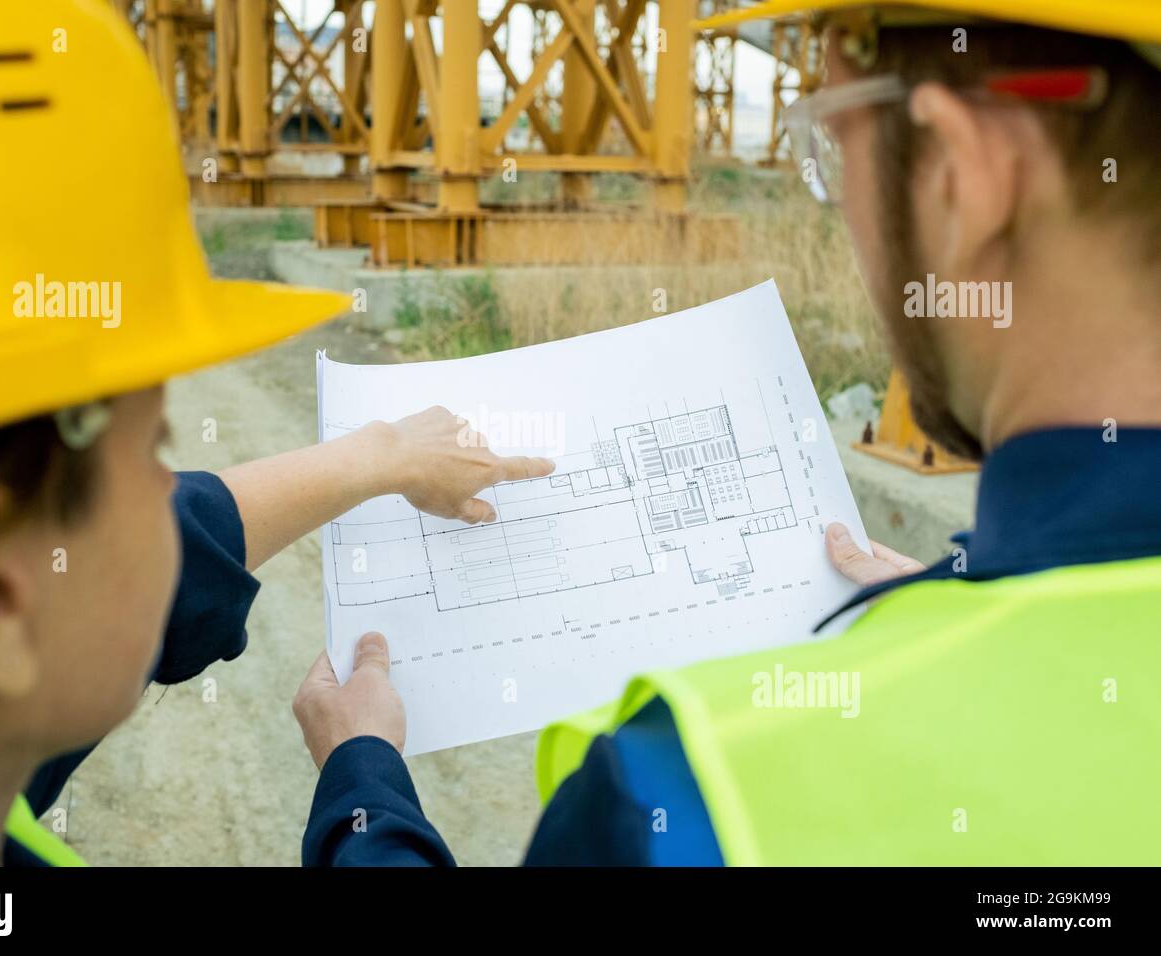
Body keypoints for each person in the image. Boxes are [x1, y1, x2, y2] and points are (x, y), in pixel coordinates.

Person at [292, 0, 1161, 865]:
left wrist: (360, 788)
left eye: (829, 147)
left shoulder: (692, 788)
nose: (837, 208)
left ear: (962, 176)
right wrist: (971, 616)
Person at [0, 0, 551, 866]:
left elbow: (135, 556)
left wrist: (378, 459)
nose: (173, 490)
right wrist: (366, 786)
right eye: (154, 454)